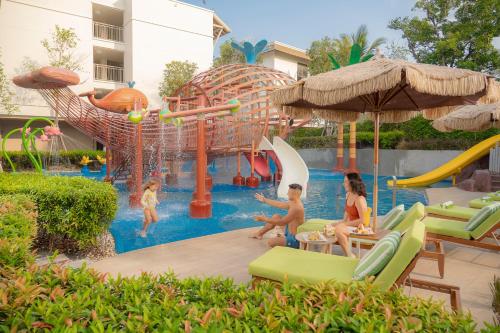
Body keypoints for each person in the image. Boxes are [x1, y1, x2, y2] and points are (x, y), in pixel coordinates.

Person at [252, 183, 305, 248]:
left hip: (294, 239)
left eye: (289, 193)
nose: (287, 194)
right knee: (276, 216)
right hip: (288, 231)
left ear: (295, 195)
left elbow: (282, 222)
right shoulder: (293, 202)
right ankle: (259, 234)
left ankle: (289, 244)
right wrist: (264, 200)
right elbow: (280, 204)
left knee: (271, 242)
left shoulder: (296, 208)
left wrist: (264, 219)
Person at [333, 173, 368, 257]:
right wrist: (342, 221)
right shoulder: (348, 194)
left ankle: (349, 255)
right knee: (330, 226)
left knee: (338, 230)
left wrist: (344, 224)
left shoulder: (359, 199)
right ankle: (326, 251)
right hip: (351, 226)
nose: (343, 184)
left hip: (361, 228)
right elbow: (347, 211)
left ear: (352, 183)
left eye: (345, 181)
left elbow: (363, 220)